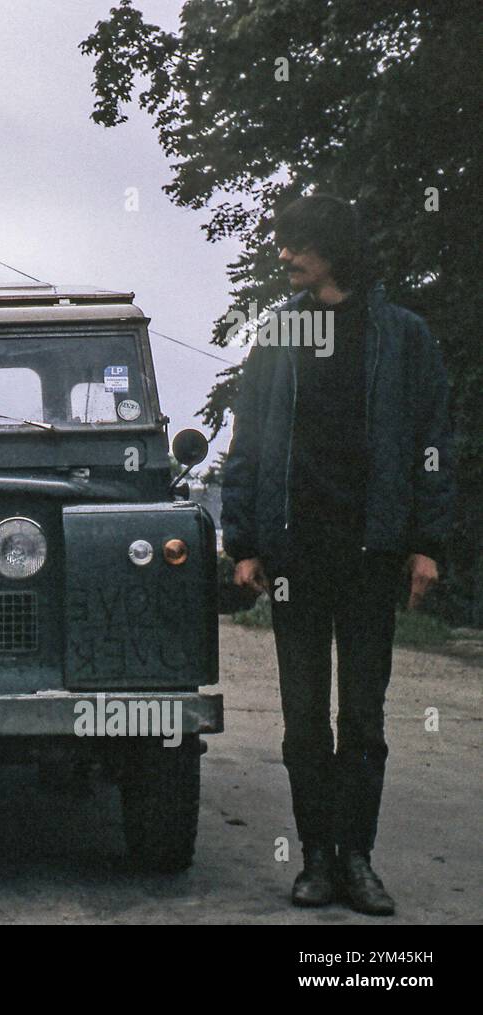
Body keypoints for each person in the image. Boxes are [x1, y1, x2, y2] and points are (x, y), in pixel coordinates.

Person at [222, 194, 455, 915]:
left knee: (363, 718)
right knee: (301, 717)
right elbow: (249, 440)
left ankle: (358, 860)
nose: (284, 255)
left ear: (334, 250)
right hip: (295, 552)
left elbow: (433, 442)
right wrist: (246, 542)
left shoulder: (403, 337)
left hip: (371, 551)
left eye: (297, 245)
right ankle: (316, 860)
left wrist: (426, 542)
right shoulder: (280, 334)